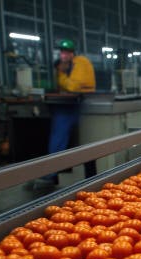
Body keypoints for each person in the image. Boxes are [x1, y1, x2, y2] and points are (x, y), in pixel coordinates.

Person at [38, 39, 95, 187]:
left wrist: (62, 73)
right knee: (59, 133)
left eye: (66, 53)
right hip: (73, 104)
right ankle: (54, 171)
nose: (63, 56)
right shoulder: (69, 65)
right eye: (62, 53)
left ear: (72, 53)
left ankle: (52, 172)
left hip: (80, 104)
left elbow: (72, 86)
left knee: (59, 132)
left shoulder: (80, 62)